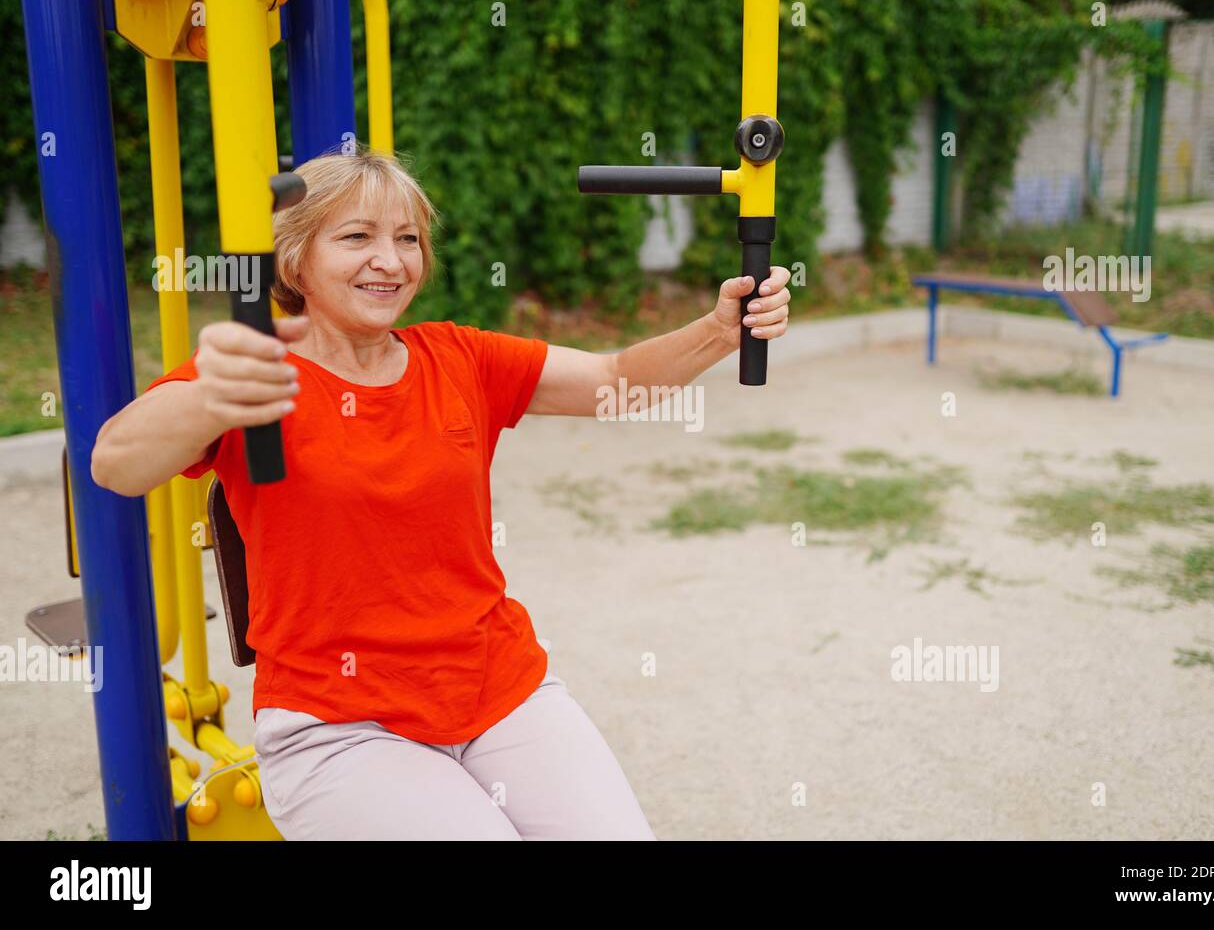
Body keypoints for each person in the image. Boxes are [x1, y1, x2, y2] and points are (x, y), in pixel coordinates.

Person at [90, 149, 792, 840]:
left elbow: (614, 379)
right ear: (296, 260)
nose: (390, 262)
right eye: (357, 237)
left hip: (498, 690)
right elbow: (115, 464)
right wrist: (214, 396)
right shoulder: (257, 371)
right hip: (337, 728)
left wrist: (717, 331)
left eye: (408, 240)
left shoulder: (458, 359)